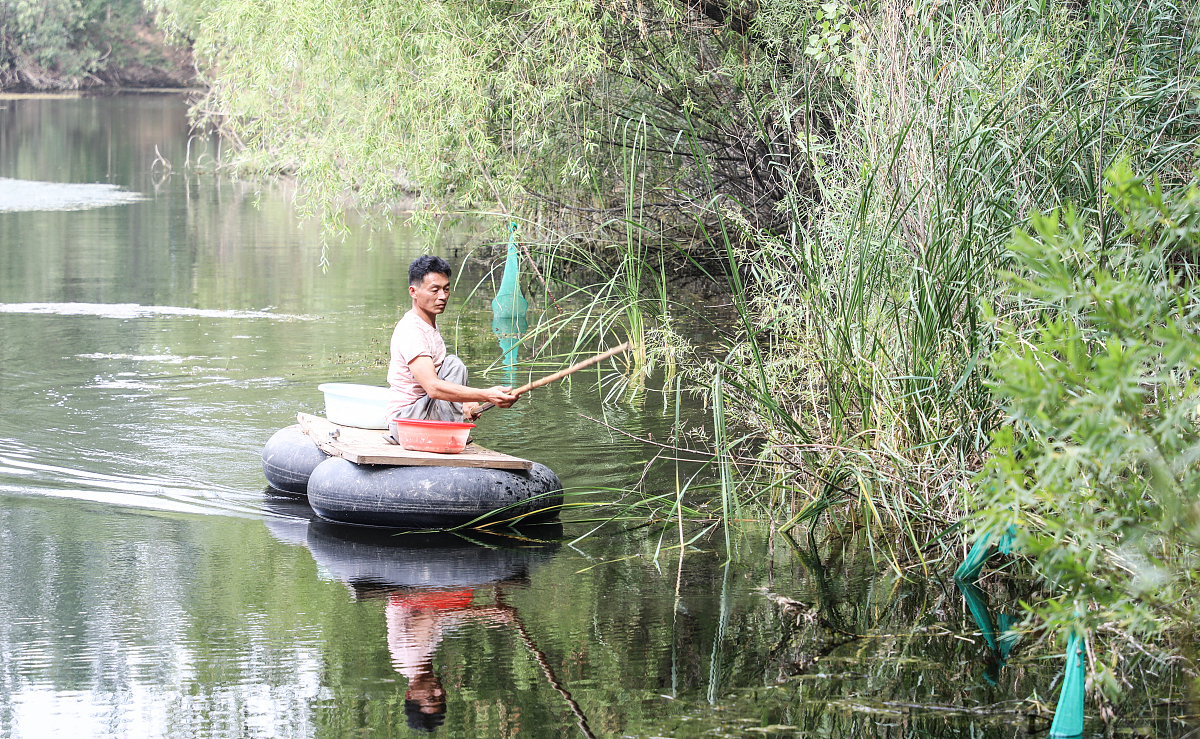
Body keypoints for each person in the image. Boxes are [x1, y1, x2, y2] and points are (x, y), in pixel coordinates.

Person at [387, 255, 519, 423]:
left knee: (452, 365)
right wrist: (487, 394)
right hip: (406, 422)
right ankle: (449, 430)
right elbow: (433, 388)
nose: (442, 296)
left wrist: (466, 403)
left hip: (422, 415)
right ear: (413, 292)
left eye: (446, 289)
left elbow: (440, 377)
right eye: (435, 290)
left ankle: (451, 425)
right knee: (454, 365)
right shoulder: (412, 330)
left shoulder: (428, 324)